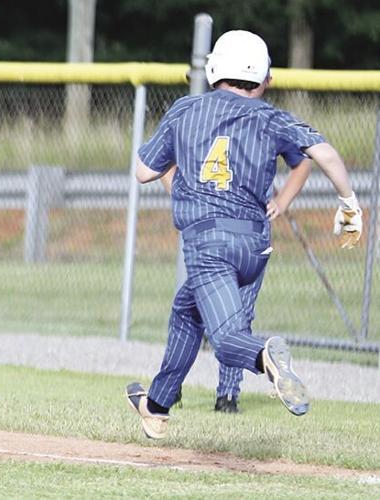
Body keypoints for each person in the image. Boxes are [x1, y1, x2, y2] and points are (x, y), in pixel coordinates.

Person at [126, 30, 362, 439]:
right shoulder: (271, 117)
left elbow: (145, 171)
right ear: (264, 77)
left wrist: (184, 185)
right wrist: (350, 205)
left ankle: (264, 356)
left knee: (227, 339)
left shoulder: (186, 109)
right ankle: (157, 405)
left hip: (208, 244)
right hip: (255, 245)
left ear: (214, 68)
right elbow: (324, 154)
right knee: (186, 313)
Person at [162, 157, 313, 415]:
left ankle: (226, 396)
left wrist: (282, 201)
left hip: (249, 239)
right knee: (191, 311)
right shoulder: (201, 122)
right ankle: (175, 387)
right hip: (213, 238)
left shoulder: (263, 122)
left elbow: (305, 159)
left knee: (235, 315)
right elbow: (161, 161)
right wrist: (185, 198)